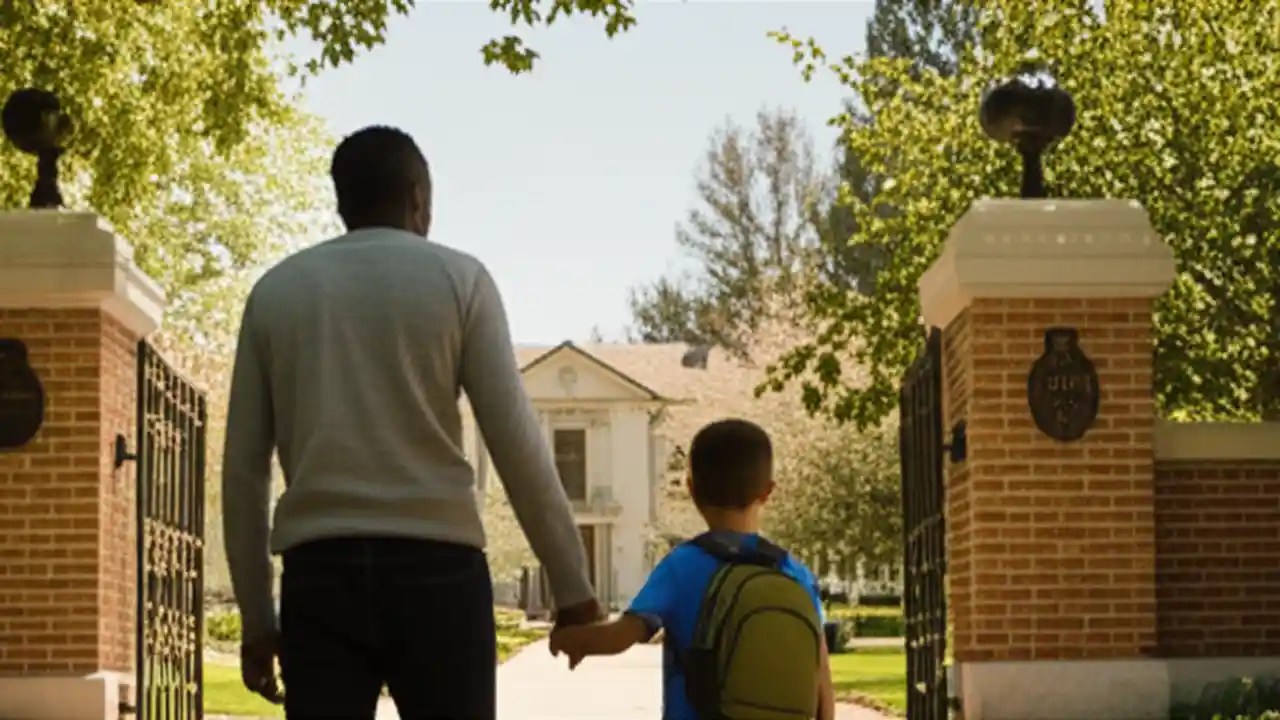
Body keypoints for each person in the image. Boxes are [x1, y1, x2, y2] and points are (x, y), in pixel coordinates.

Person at [221, 125, 600, 719]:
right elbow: (515, 440)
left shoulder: (275, 292)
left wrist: (255, 618)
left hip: (320, 572)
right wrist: (572, 590)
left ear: (341, 201)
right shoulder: (461, 281)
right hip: (439, 572)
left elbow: (243, 470)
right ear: (419, 198)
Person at [549, 418, 835, 720]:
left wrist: (574, 639)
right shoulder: (794, 573)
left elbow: (622, 636)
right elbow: (820, 679)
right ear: (767, 491)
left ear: (691, 488)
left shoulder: (683, 565)